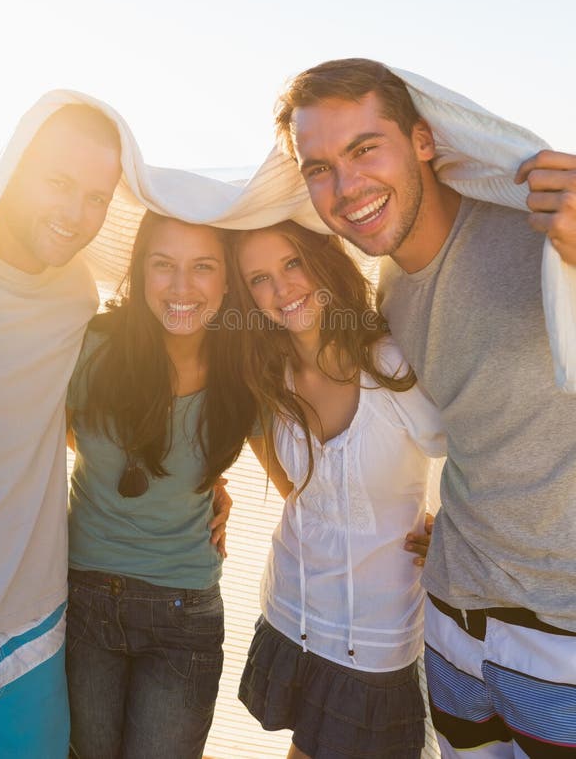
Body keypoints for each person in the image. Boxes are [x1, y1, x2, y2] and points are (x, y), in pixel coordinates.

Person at [272, 59, 576, 757]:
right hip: (451, 621)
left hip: (562, 632)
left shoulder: (541, 237)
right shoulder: (390, 292)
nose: (346, 187)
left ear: (423, 140)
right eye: (319, 169)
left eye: (364, 149)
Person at [229, 220, 445, 759]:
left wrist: (454, 529)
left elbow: (472, 451)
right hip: (293, 608)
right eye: (259, 278)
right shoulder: (269, 372)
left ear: (324, 261)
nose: (282, 289)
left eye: (292, 263)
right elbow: (273, 459)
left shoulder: (390, 363)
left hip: (378, 634)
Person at [65, 211, 256, 759]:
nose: (181, 287)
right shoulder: (91, 346)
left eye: (203, 267)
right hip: (84, 596)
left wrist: (212, 480)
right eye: (163, 264)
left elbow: (303, 479)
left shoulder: (244, 368)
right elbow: (52, 435)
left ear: (228, 279)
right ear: (139, 268)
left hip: (184, 611)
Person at [0, 100, 126, 759]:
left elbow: (68, 413)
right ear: (16, 168)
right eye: (58, 182)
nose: (75, 213)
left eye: (97, 197)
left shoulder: (76, 294)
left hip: (28, 628)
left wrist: (198, 481)